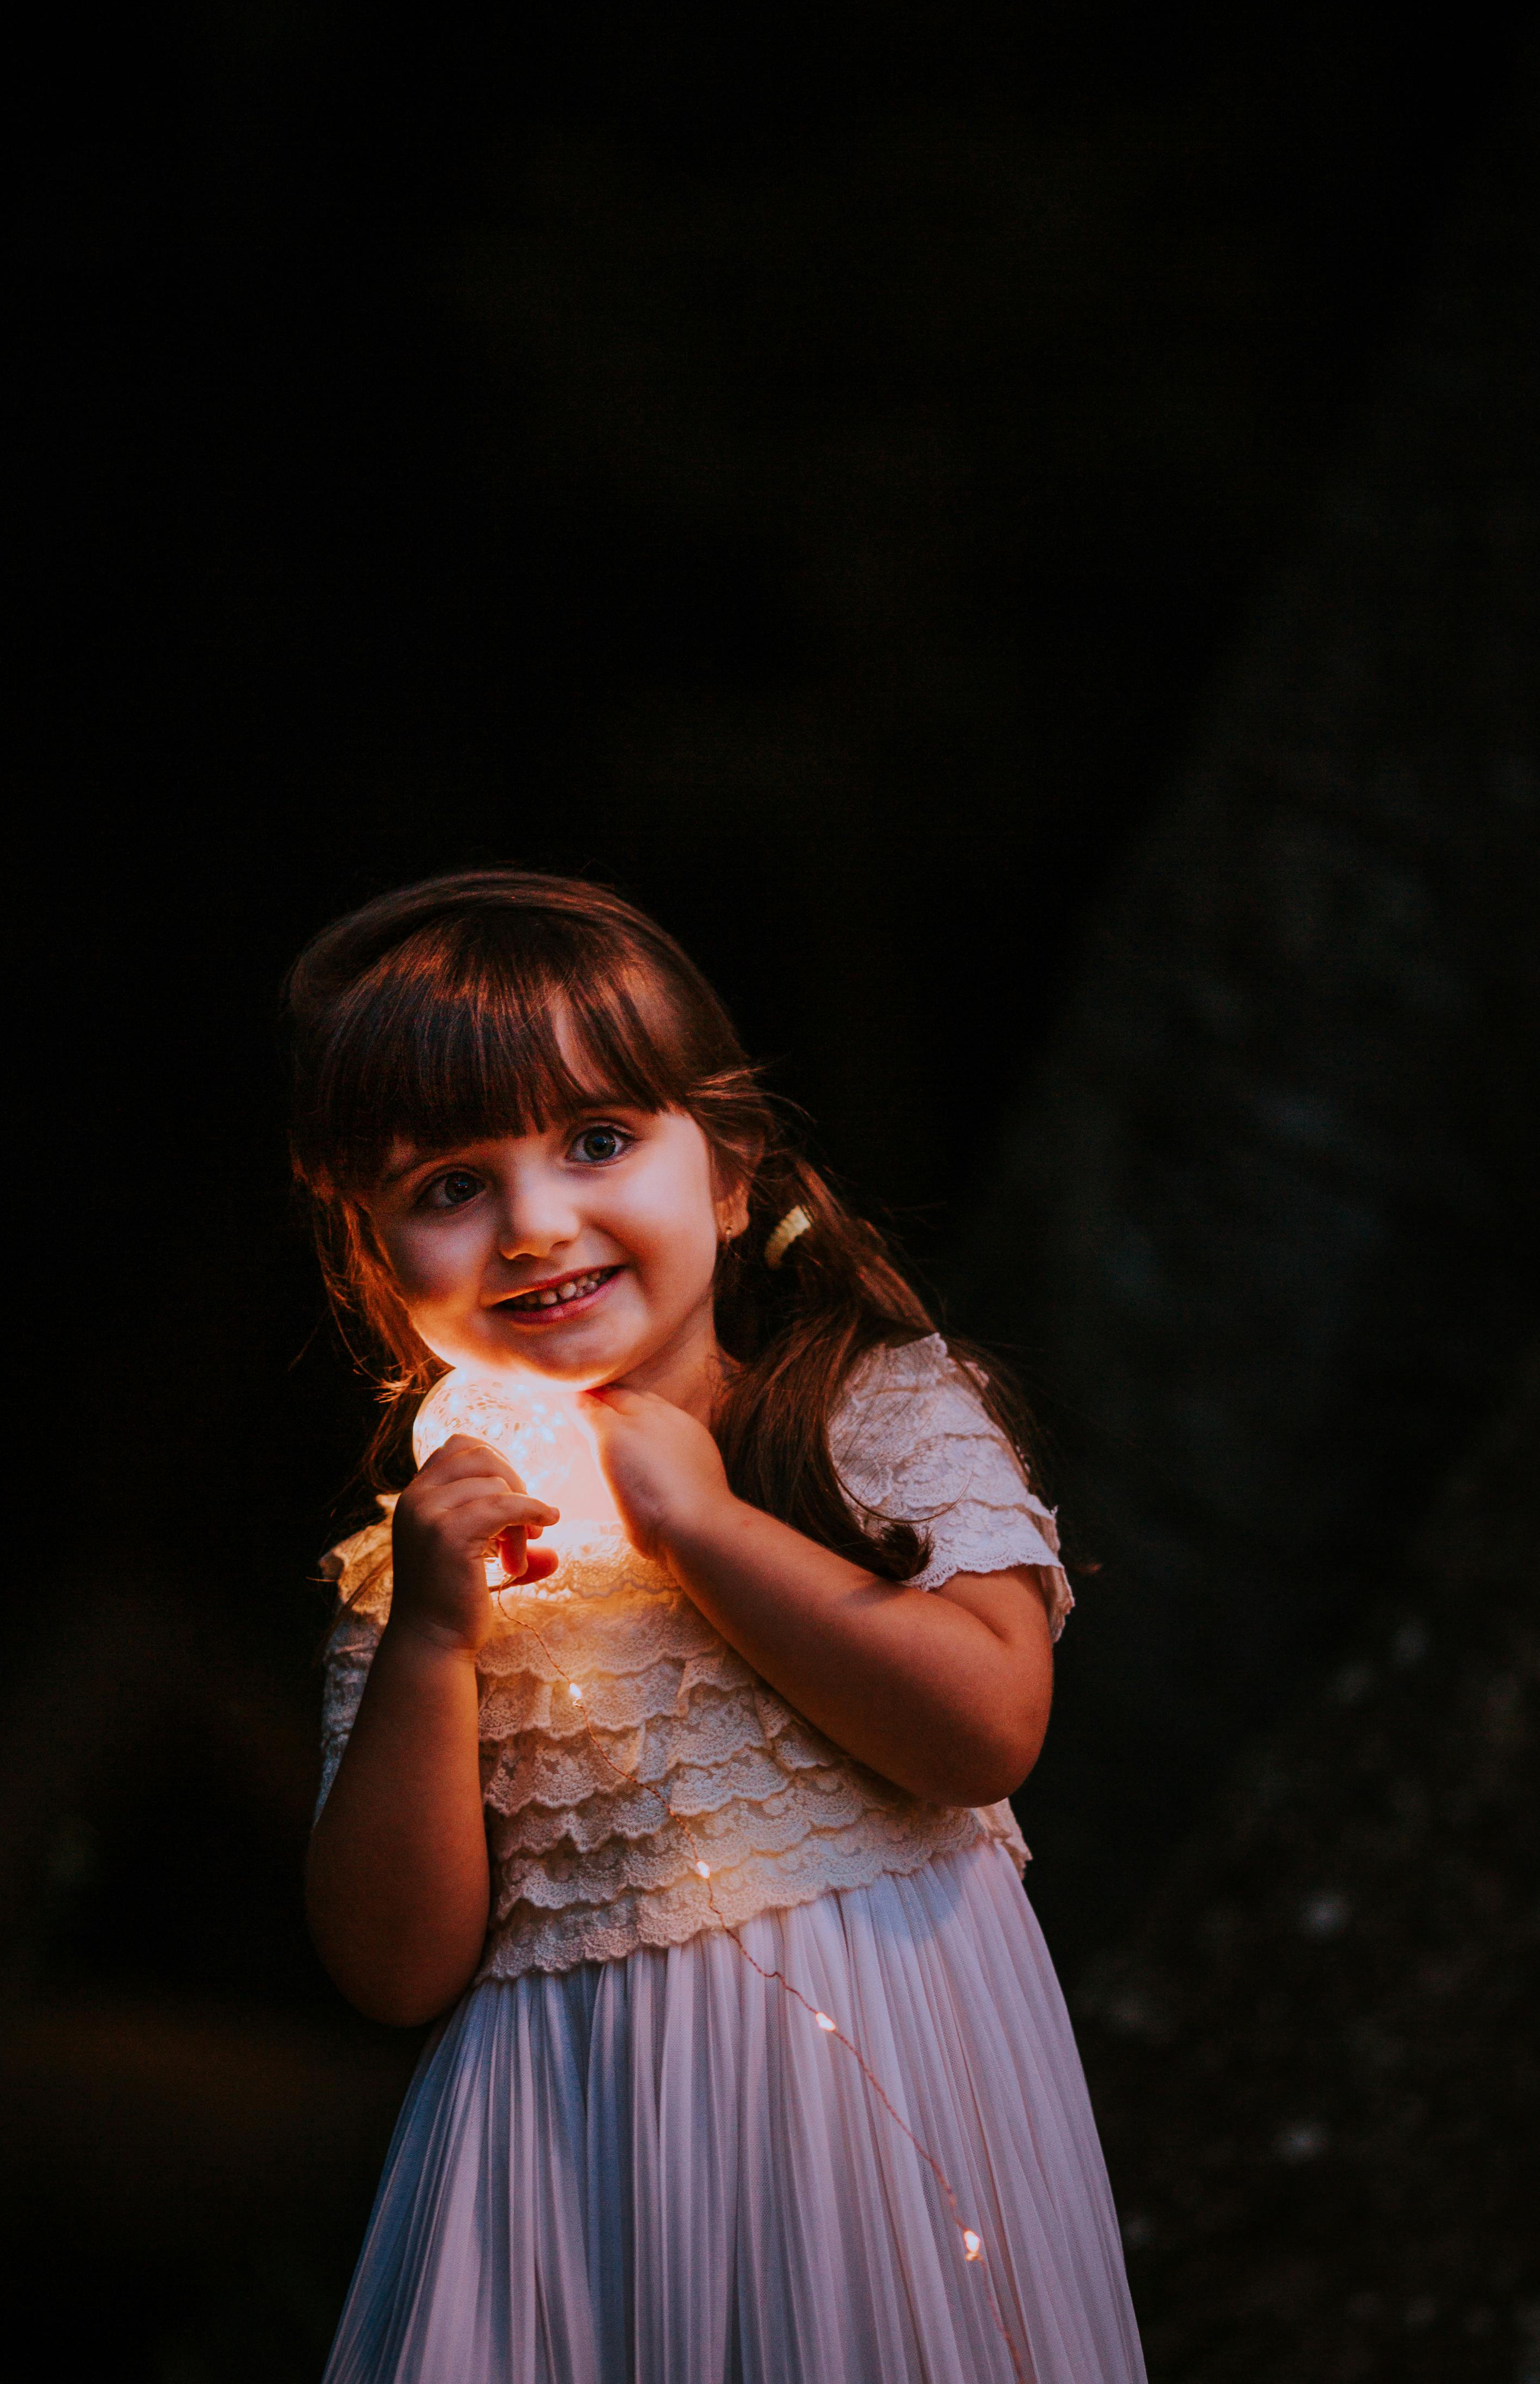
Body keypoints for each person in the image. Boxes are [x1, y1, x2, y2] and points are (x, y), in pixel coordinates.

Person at [291, 868, 1146, 2384]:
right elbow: (396, 1967)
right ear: (376, 1259)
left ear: (734, 1172)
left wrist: (701, 1525)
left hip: (890, 2130)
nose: (535, 1223)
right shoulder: (425, 1560)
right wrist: (430, 1640)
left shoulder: (869, 1419)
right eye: (448, 1185)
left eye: (599, 1139)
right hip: (575, 2156)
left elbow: (985, 1727)